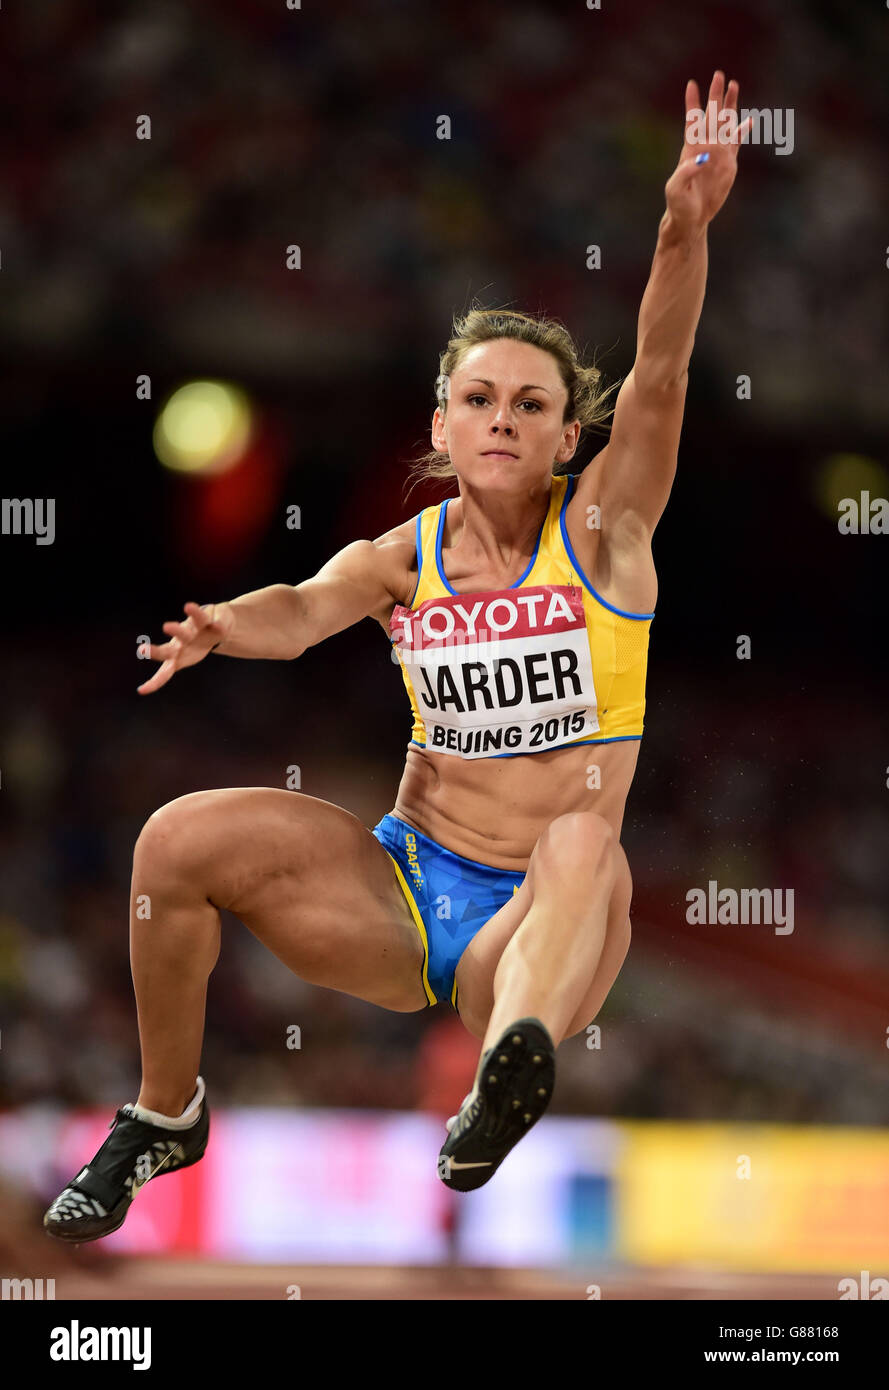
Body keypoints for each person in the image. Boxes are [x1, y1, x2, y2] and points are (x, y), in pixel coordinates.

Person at [44, 72, 749, 1241]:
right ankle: (166, 1115)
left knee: (581, 838)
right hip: (401, 892)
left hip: (539, 924)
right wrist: (224, 623)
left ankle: (505, 1075)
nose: (505, 419)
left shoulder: (605, 533)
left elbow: (663, 379)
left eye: (532, 403)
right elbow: (302, 606)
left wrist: (682, 225)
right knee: (176, 836)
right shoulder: (402, 558)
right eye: (479, 399)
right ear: (442, 426)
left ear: (570, 435)